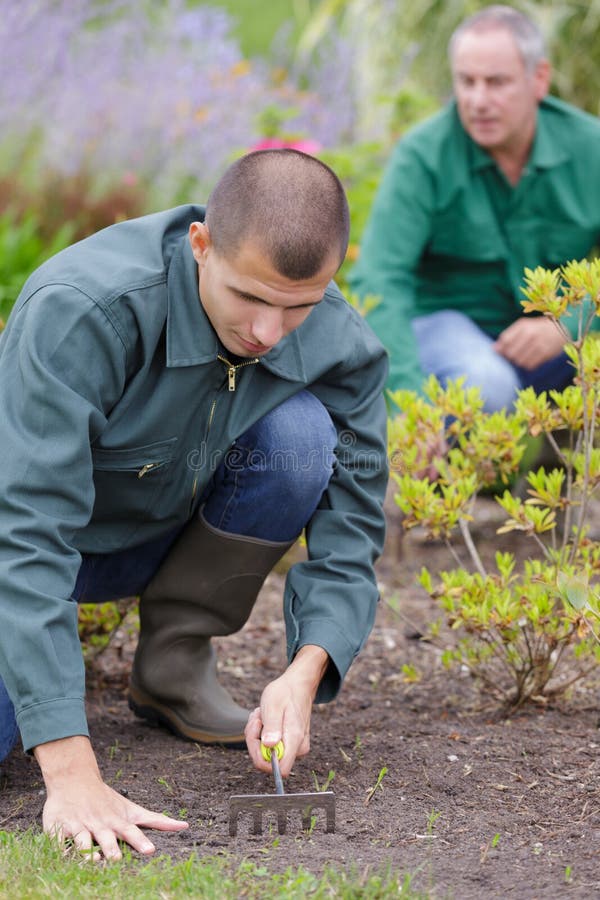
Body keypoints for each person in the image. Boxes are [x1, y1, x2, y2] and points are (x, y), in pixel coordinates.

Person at [0, 149, 388, 859]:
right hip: (27, 544)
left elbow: (352, 527)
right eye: (251, 297)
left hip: (152, 533)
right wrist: (72, 773)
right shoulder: (83, 311)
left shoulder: (343, 347)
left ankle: (170, 669)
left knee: (301, 436)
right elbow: (24, 535)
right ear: (201, 245)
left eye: (298, 305)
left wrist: (306, 671)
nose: (269, 332)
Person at [350, 4, 600, 413]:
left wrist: (565, 325)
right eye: (466, 82)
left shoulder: (591, 148)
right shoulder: (423, 156)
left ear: (539, 79)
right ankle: (455, 475)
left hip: (554, 344)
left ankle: (564, 473)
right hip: (447, 335)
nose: (478, 100)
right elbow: (379, 281)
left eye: (496, 82)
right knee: (485, 384)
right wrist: (409, 410)